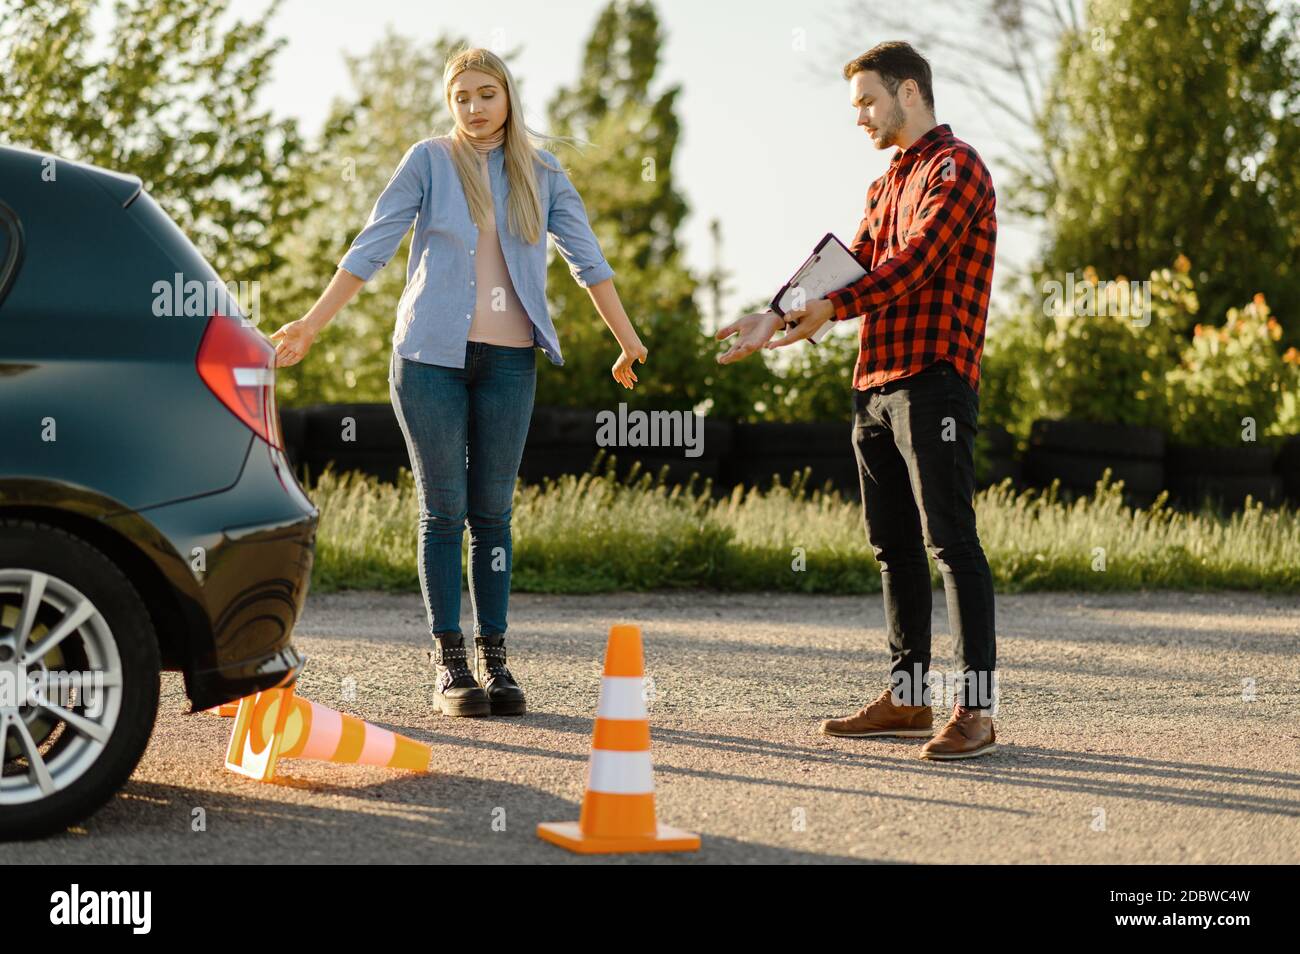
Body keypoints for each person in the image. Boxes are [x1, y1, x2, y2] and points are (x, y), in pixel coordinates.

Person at [268, 47, 646, 718]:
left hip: (509, 363)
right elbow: (372, 245)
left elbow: (590, 262)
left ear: (508, 97)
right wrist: (312, 324)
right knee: (443, 514)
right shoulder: (429, 162)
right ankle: (450, 666)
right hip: (429, 361)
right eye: (461, 96)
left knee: (492, 515)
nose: (473, 108)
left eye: (485, 94)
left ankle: (497, 663)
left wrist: (626, 337)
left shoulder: (544, 173)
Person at [714, 41, 999, 759]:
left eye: (868, 102)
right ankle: (908, 701)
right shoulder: (884, 186)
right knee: (892, 546)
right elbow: (850, 264)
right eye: (855, 107)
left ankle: (977, 710)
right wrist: (775, 315)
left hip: (933, 377)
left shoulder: (956, 168)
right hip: (873, 385)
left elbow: (915, 263)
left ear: (909, 91)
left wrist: (834, 309)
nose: (861, 118)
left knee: (950, 543)